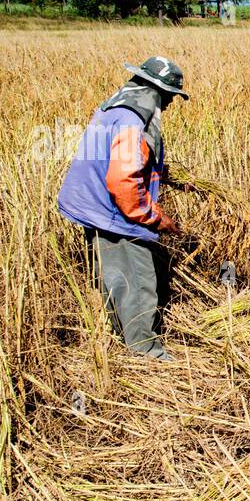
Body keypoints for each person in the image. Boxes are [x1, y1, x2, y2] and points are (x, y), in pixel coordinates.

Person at [57, 56, 187, 360]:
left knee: (117, 280)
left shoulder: (115, 108)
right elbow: (123, 181)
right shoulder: (135, 120)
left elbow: (119, 160)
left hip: (94, 207)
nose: (169, 104)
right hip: (114, 212)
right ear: (157, 91)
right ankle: (147, 352)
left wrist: (168, 177)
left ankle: (123, 341)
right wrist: (153, 217)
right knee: (139, 284)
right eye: (169, 96)